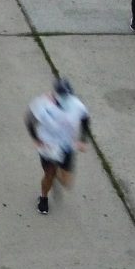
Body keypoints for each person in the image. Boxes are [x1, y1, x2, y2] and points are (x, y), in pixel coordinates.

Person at [26, 77, 91, 215]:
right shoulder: (43, 103)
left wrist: (83, 139)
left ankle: (55, 174)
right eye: (62, 95)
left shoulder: (77, 104)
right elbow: (29, 119)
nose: (65, 98)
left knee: (67, 183)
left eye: (67, 95)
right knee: (48, 174)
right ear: (55, 93)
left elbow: (85, 119)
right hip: (48, 146)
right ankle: (43, 198)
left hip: (67, 146)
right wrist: (36, 138)